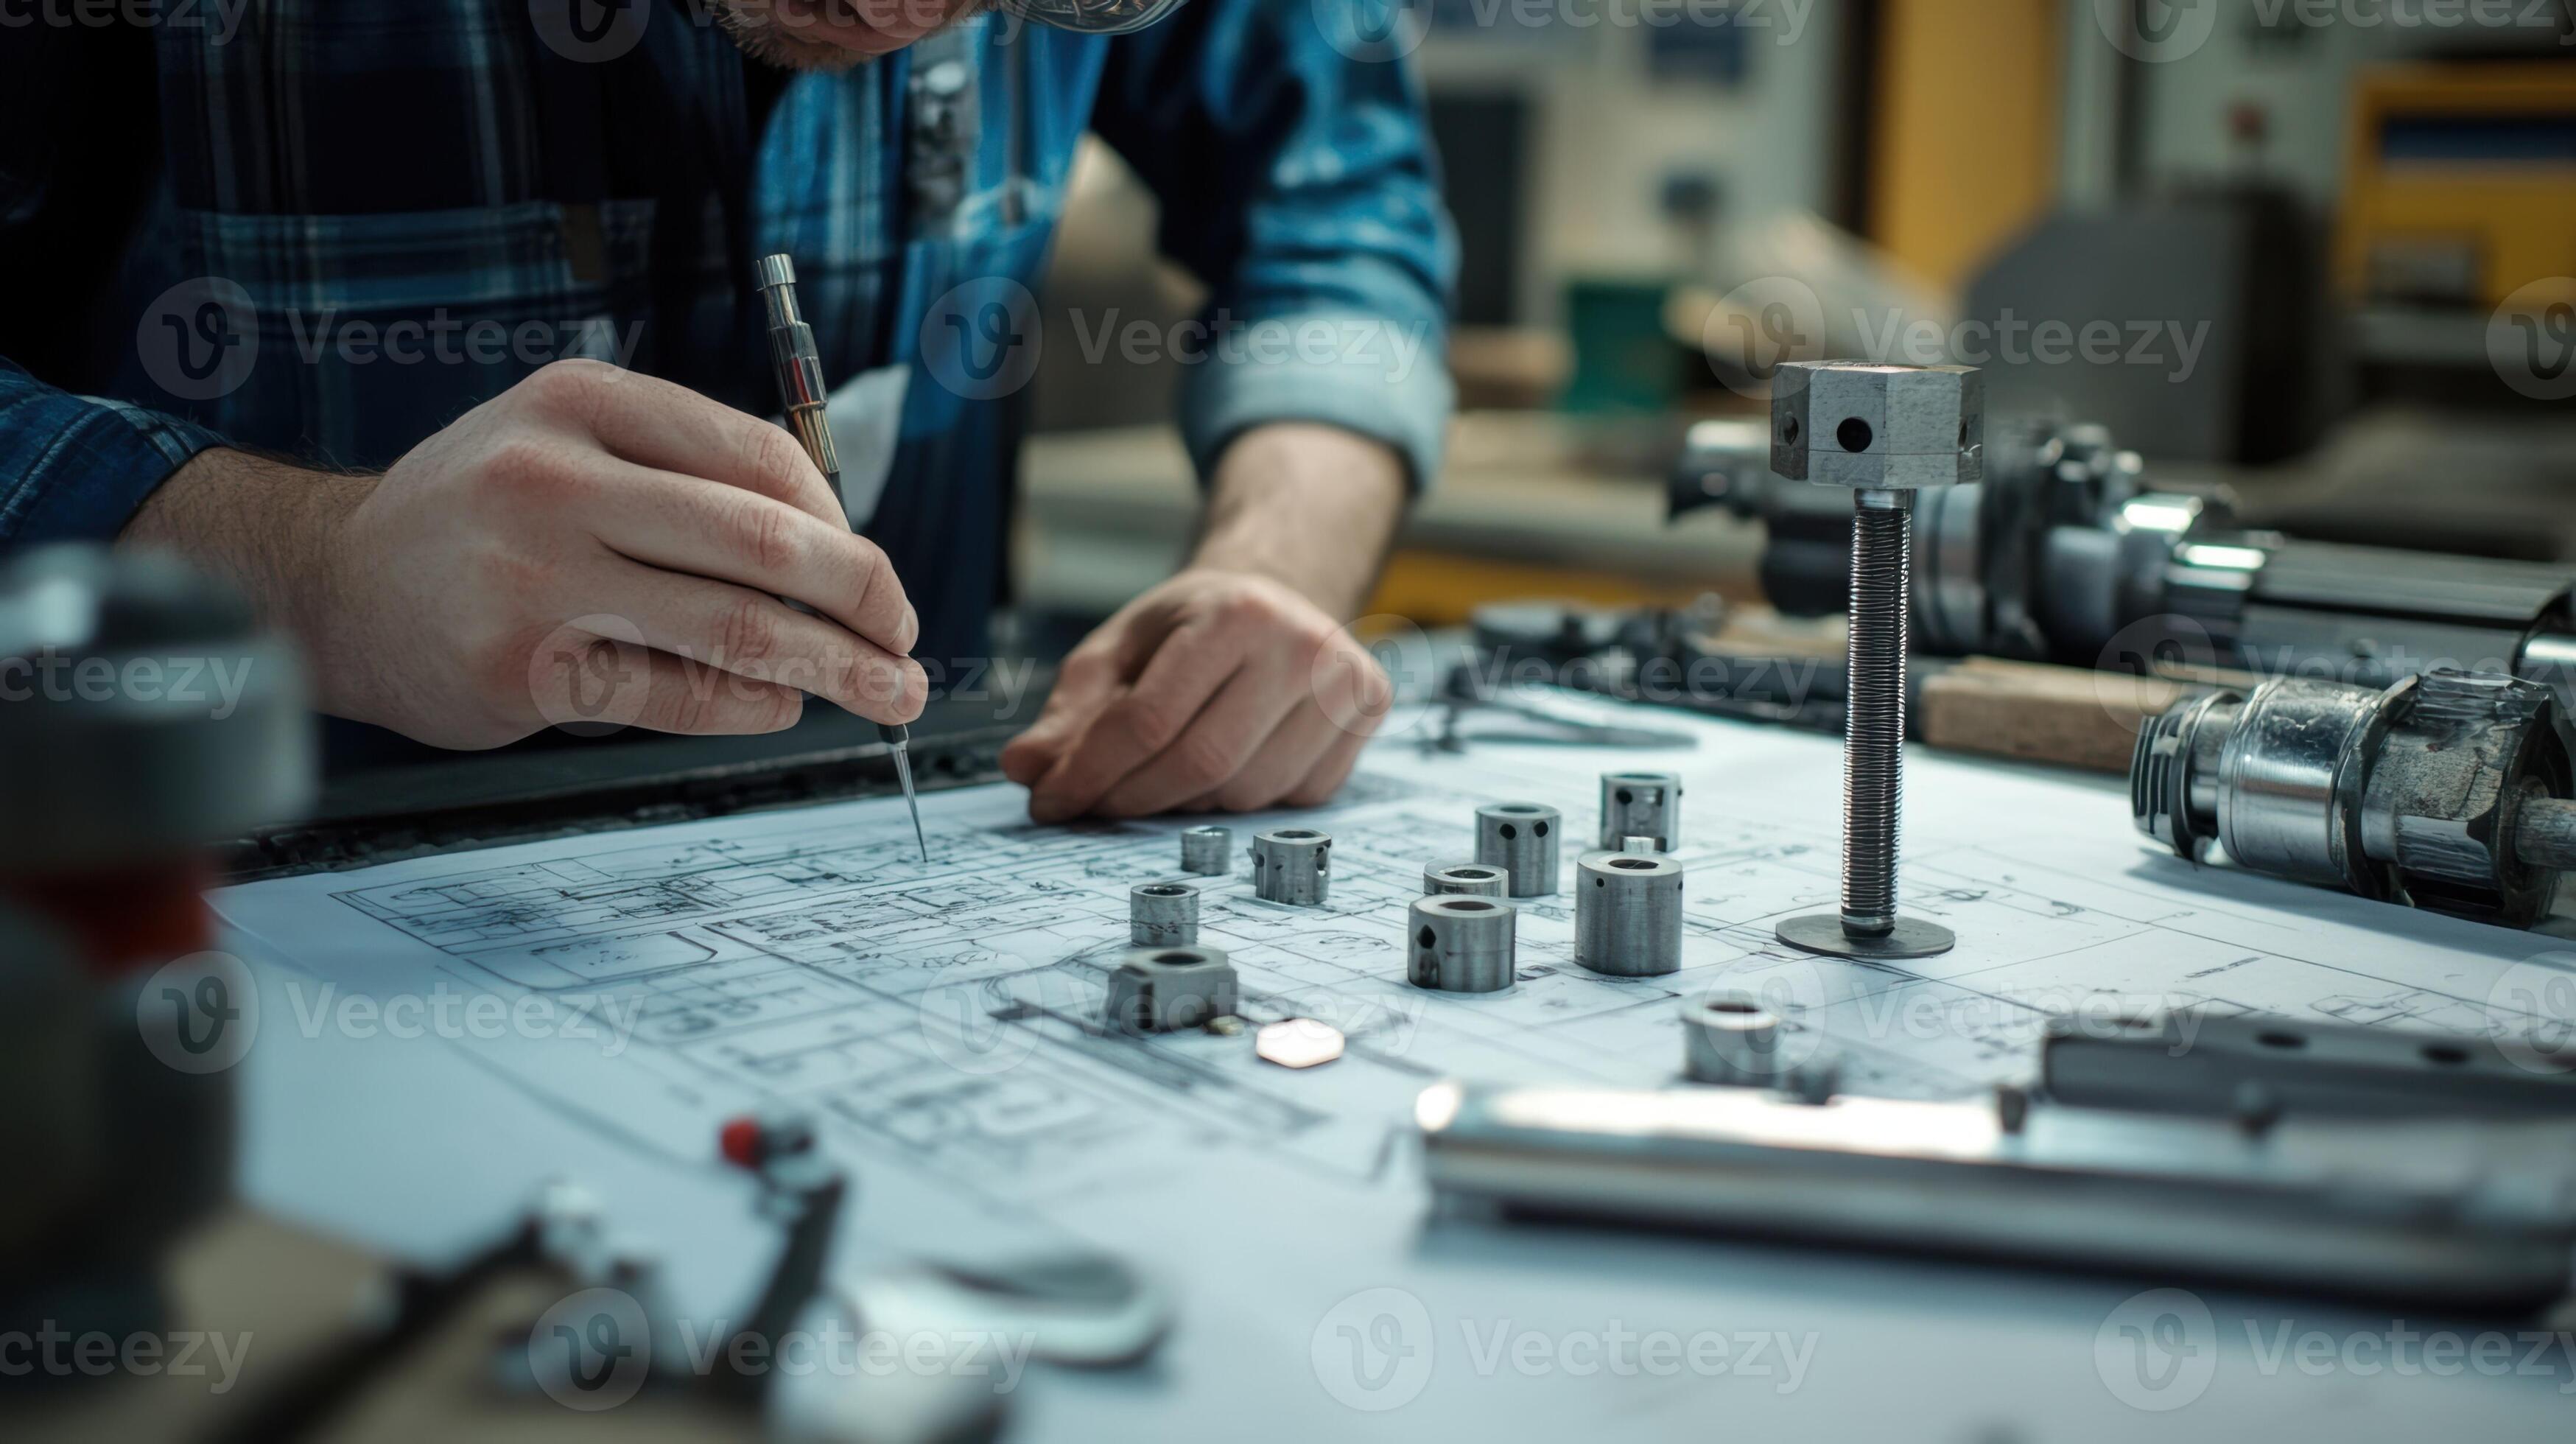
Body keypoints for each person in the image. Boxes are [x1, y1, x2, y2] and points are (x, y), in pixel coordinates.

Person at [0, 0, 1453, 822]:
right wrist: (309, 577)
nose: (901, 18)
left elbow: (1339, 226)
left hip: (861, 877)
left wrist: (1269, 573)